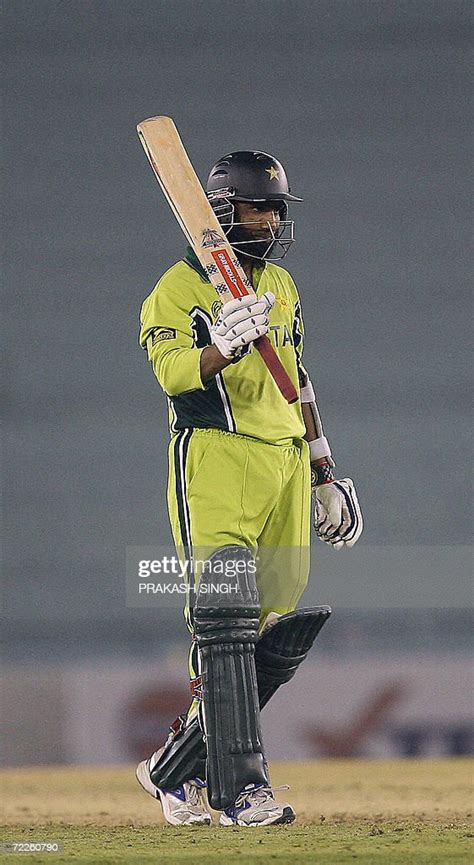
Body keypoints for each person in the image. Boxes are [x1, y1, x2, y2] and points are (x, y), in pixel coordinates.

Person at [136, 150, 363, 826]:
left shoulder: (283, 287)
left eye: (275, 209)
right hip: (216, 459)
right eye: (257, 208)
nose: (269, 220)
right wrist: (223, 350)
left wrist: (326, 472)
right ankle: (241, 789)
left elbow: (300, 378)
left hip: (285, 462)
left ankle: (176, 771)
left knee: (271, 632)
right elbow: (173, 371)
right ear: (219, 215)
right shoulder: (173, 288)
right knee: (225, 621)